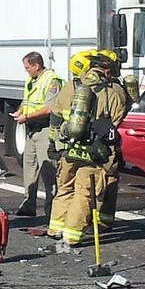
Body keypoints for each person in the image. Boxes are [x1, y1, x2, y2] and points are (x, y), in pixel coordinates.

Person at [47, 50, 129, 246]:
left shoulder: (72, 86)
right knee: (84, 193)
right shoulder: (112, 93)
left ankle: (55, 228)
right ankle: (72, 235)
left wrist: (53, 143)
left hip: (67, 148)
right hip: (92, 152)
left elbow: (55, 115)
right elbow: (116, 125)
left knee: (65, 188)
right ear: (107, 71)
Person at [12, 51, 62, 219]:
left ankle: (52, 211)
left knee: (48, 171)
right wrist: (20, 111)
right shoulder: (32, 80)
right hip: (31, 130)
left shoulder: (51, 81)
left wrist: (27, 117)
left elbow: (49, 108)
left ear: (36, 66)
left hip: (44, 130)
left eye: (28, 67)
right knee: (29, 168)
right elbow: (26, 100)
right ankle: (28, 204)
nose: (26, 70)